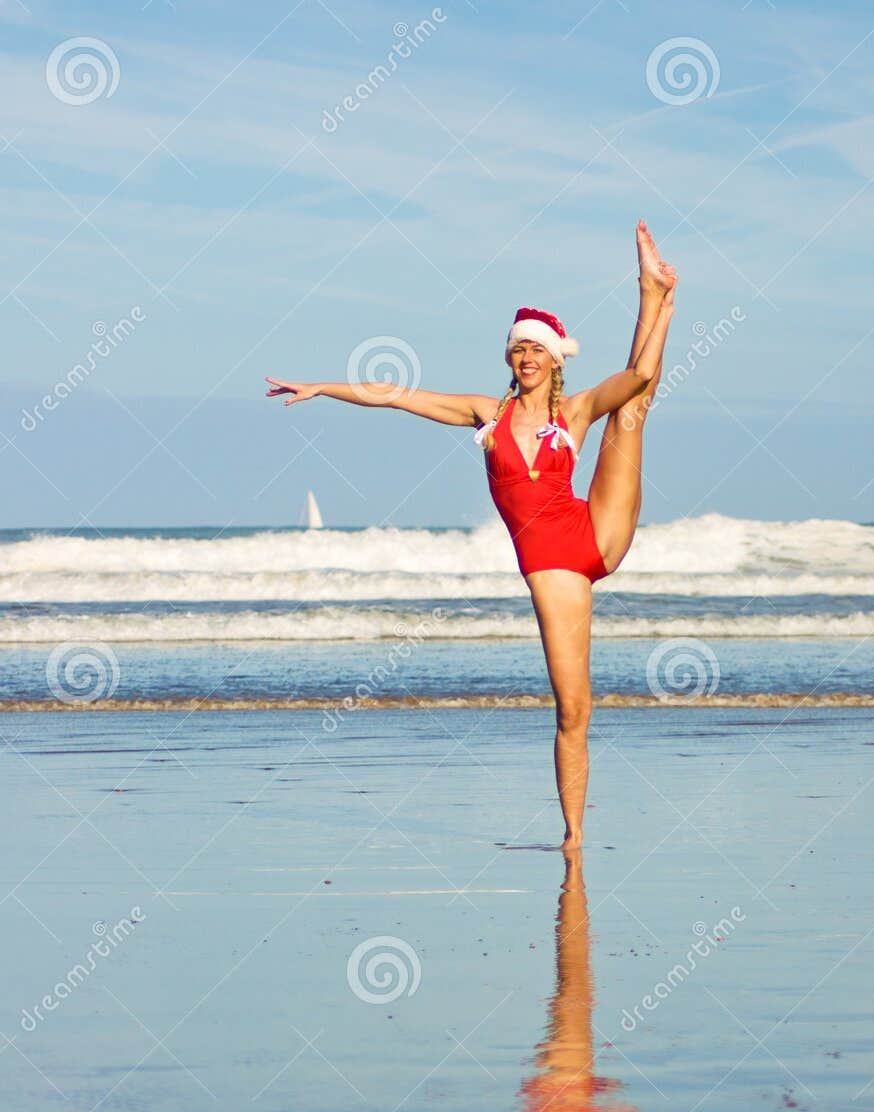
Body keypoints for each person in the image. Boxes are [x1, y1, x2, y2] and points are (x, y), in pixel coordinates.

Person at [267, 220, 676, 851]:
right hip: (554, 565)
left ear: (553, 357)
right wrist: (324, 386)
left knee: (635, 405)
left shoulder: (574, 411)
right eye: (518, 350)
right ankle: (573, 834)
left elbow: (640, 376)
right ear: (511, 358)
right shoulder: (487, 414)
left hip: (594, 530)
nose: (527, 358)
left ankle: (655, 291)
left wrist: (657, 303)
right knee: (574, 706)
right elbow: (397, 395)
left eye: (537, 349)